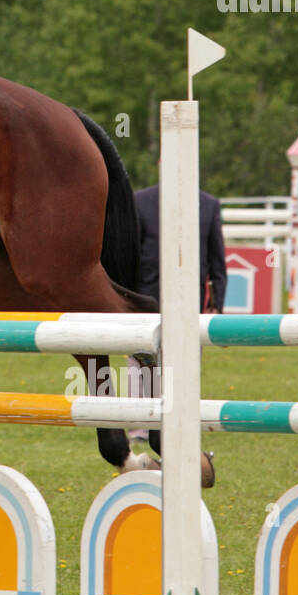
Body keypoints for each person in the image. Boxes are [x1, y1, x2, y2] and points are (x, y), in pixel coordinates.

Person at [127, 185, 228, 440]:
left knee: (185, 360)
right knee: (142, 360)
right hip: (148, 295)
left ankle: (179, 420)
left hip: (189, 299)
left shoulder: (208, 204)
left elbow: (216, 258)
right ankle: (140, 423)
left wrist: (217, 303)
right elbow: (131, 254)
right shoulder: (139, 201)